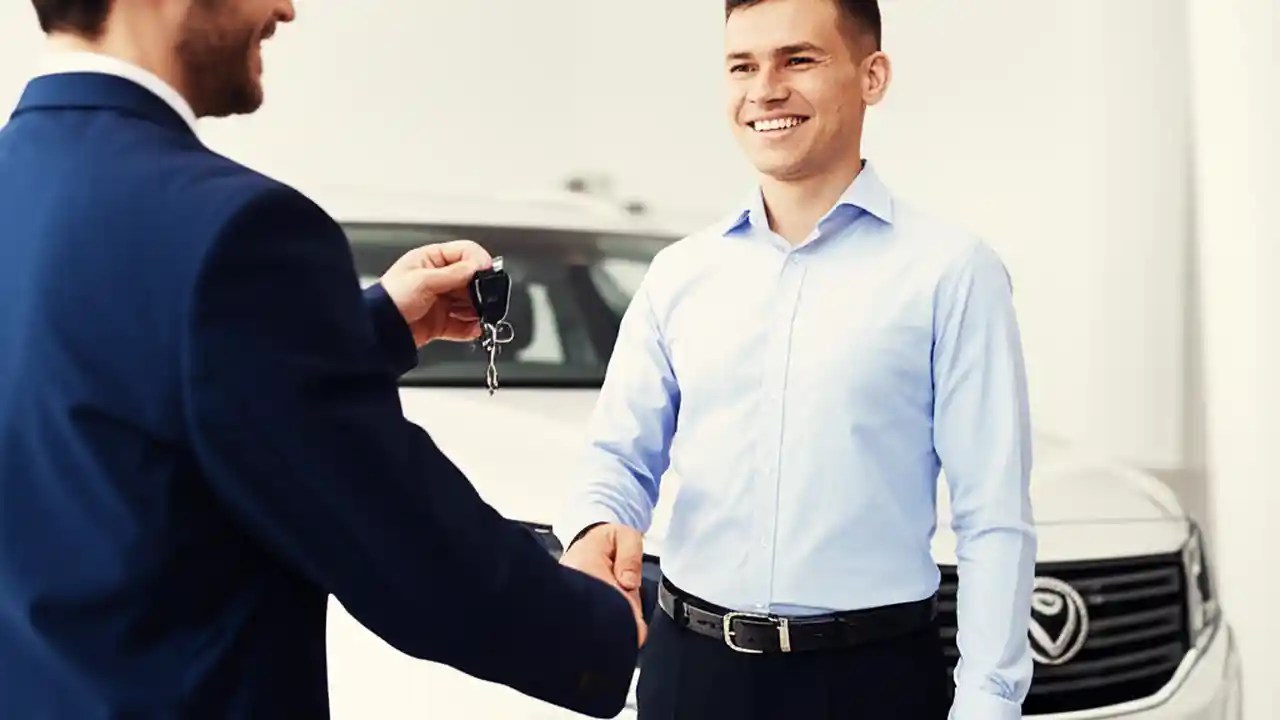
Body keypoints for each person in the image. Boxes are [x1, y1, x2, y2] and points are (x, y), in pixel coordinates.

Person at [0, 1, 645, 718]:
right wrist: (600, 623)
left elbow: (93, 392)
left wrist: (363, 327)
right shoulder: (236, 228)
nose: (285, 8)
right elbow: (406, 551)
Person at [554, 0, 1036, 717]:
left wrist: (988, 703)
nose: (765, 90)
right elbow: (620, 458)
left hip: (870, 684)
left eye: (797, 60)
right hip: (690, 674)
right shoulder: (680, 274)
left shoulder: (952, 274)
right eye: (742, 66)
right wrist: (596, 527)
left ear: (872, 76)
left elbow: (993, 518)